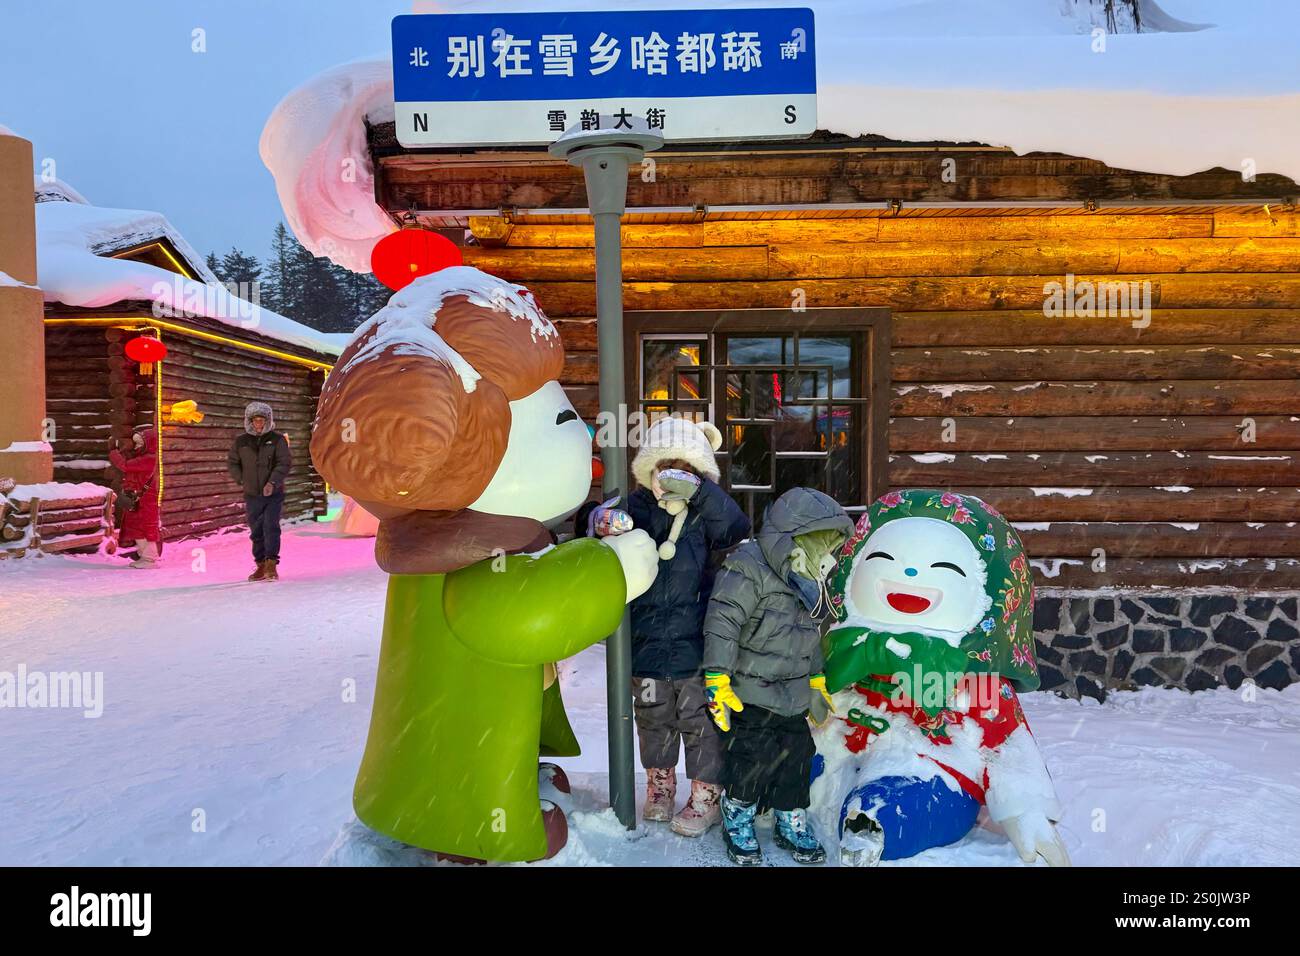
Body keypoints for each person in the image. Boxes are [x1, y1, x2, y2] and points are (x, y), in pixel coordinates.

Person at [576, 416, 749, 836]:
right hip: (646, 642)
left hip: (695, 642)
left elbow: (736, 527)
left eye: (687, 469)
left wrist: (702, 493)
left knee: (701, 722)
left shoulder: (704, 515)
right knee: (653, 719)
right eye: (665, 467)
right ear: (647, 470)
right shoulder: (636, 507)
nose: (673, 477)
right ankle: (659, 787)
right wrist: (597, 519)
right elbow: (596, 525)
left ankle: (705, 795)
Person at [703, 487, 854, 865]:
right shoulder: (749, 566)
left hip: (793, 694)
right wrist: (717, 677)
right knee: (751, 758)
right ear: (793, 538)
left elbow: (810, 638)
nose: (826, 554)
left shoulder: (809, 579)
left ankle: (790, 816)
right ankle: (737, 814)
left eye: (828, 545)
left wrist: (816, 680)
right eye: (819, 542)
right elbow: (722, 623)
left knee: (796, 757)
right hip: (750, 689)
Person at [227, 400, 291, 581]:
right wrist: (241, 479)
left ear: (268, 420)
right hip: (252, 494)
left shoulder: (277, 440)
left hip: (273, 494)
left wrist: (273, 482)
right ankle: (260, 565)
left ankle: (271, 564)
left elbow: (284, 463)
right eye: (255, 420)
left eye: (262, 420)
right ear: (250, 421)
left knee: (270, 527)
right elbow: (233, 463)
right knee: (256, 530)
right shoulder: (241, 442)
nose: (259, 424)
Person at [109, 425, 161, 568]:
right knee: (138, 528)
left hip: (146, 499)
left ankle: (150, 559)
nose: (137, 446)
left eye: (140, 443)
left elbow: (125, 466)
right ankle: (145, 557)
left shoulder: (150, 459)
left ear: (149, 443)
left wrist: (114, 452)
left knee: (147, 528)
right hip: (139, 498)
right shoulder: (144, 457)